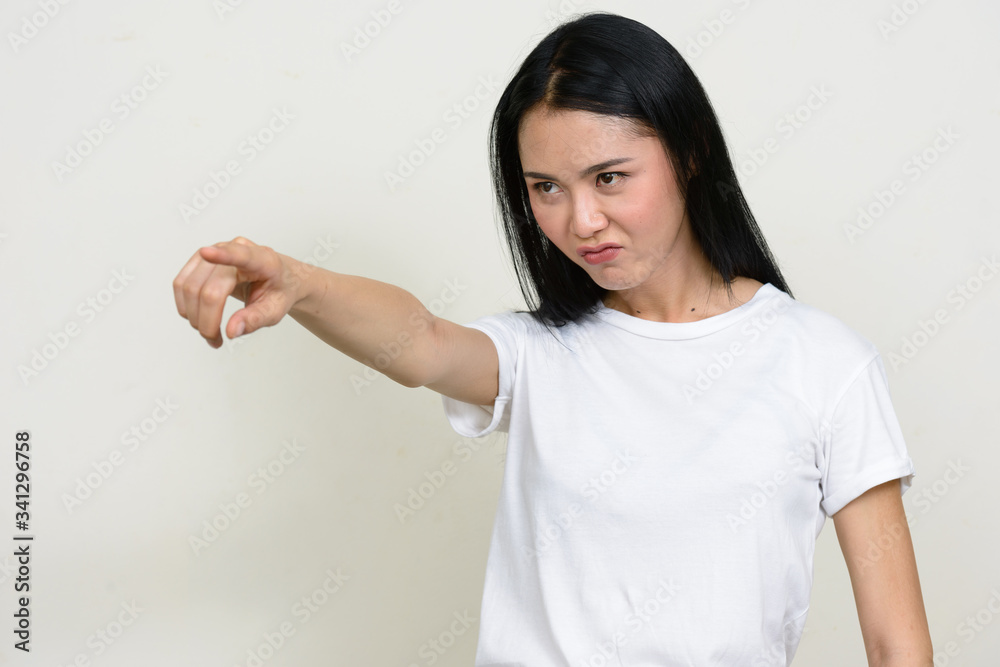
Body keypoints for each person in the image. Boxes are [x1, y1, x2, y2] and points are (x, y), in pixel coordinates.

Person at [172, 12, 933, 666]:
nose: (582, 221)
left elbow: (897, 644)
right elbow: (422, 342)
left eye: (610, 177)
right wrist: (300, 283)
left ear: (690, 151)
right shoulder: (539, 355)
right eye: (546, 188)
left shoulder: (823, 364)